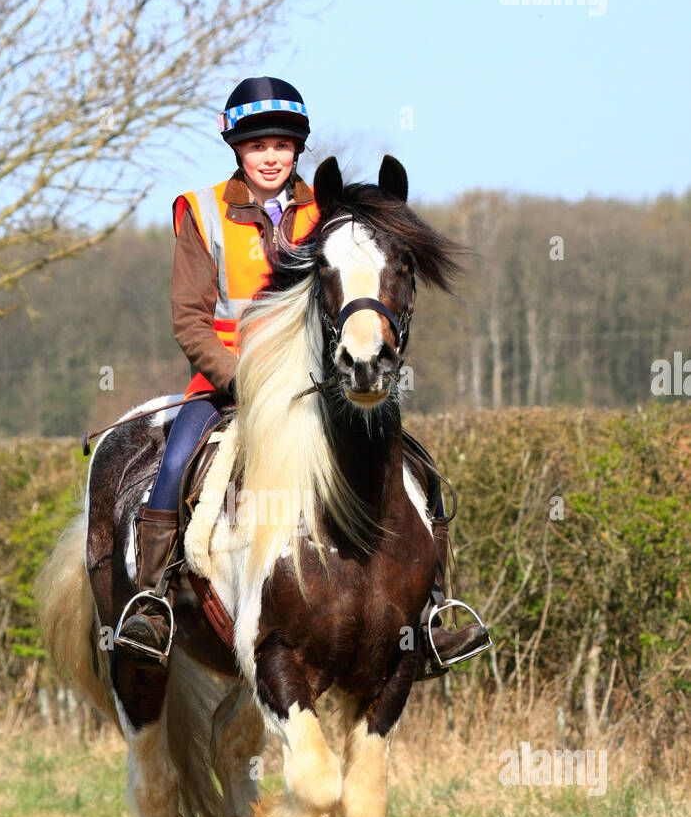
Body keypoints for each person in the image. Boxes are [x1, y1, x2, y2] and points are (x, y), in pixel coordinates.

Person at [115, 75, 490, 675]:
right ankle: (152, 600)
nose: (271, 157)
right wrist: (241, 379)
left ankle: (430, 612)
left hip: (318, 383)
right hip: (228, 384)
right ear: (237, 149)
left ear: (298, 150)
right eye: (257, 145)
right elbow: (189, 319)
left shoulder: (326, 212)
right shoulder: (200, 211)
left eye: (283, 146)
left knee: (414, 470)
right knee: (176, 463)